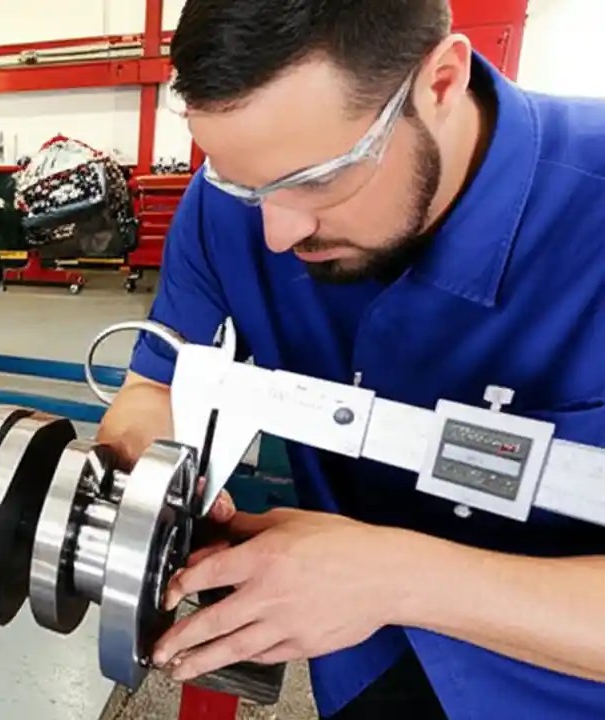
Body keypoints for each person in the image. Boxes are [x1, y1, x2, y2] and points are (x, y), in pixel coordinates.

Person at [96, 1, 605, 718]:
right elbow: (154, 387)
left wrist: (398, 579)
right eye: (246, 185)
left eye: (318, 180)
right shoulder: (233, 205)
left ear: (441, 80)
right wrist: (149, 479)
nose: (276, 234)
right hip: (361, 670)